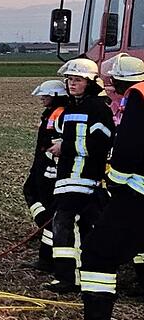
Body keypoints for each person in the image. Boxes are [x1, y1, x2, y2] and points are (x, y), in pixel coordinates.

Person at [54, 54, 144, 320]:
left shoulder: (138, 97)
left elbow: (127, 150)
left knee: (97, 254)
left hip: (137, 194)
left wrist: (115, 182)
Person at [46, 58, 114, 294]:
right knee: (78, 227)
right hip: (68, 177)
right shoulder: (73, 108)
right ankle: (74, 275)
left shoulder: (98, 109)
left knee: (64, 224)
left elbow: (101, 144)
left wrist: (66, 147)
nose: (72, 84)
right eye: (69, 80)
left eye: (77, 80)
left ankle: (68, 278)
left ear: (91, 82)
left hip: (84, 178)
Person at [23, 79, 67, 272]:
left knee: (50, 210)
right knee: (31, 191)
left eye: (45, 95)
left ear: (56, 96)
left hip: (50, 170)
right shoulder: (51, 113)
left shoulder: (62, 115)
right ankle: (44, 227)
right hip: (41, 166)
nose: (42, 98)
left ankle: (47, 256)